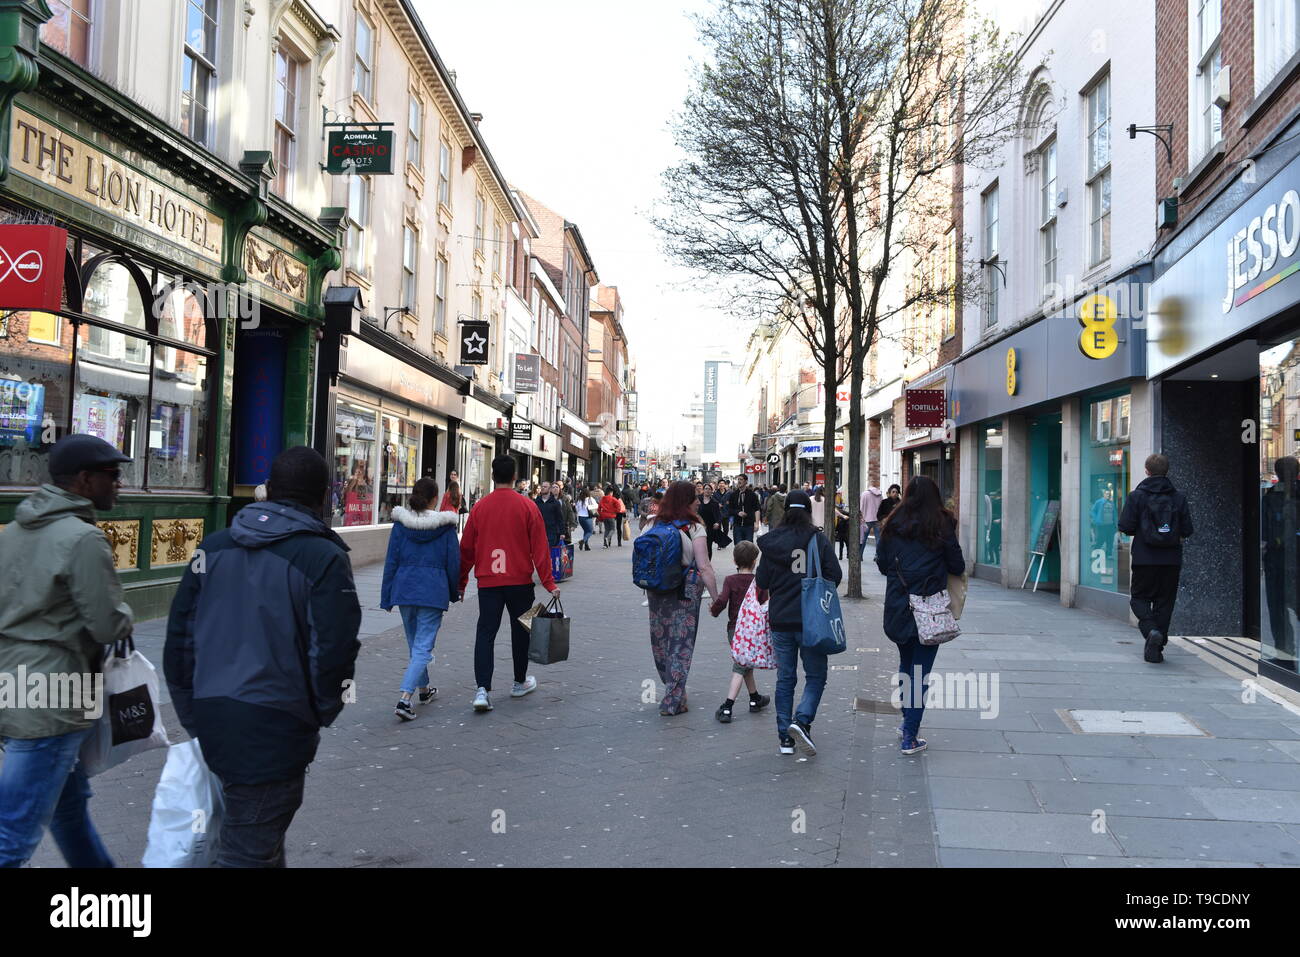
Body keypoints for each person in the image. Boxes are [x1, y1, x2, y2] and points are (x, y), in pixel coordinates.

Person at [165, 446, 362, 867]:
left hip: (216, 718)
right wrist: (321, 712)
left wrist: (194, 713)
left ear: (268, 490)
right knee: (247, 851)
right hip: (274, 727)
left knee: (257, 841)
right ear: (324, 496)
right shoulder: (323, 557)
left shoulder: (213, 548)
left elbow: (179, 639)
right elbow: (334, 650)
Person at [0, 435, 134, 868]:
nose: (119, 484)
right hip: (55, 700)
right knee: (13, 836)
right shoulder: (83, 539)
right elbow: (106, 623)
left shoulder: (15, 530)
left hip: (14, 687)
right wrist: (125, 613)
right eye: (112, 476)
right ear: (83, 480)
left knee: (68, 811)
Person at [458, 456, 559, 712]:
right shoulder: (527, 506)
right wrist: (548, 582)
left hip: (488, 582)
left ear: (492, 476)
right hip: (519, 580)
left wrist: (460, 582)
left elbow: (466, 549)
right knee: (521, 630)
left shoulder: (480, 507)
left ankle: (482, 690)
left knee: (486, 632)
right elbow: (540, 549)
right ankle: (519, 681)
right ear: (515, 477)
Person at [874, 475, 964, 756]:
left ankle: (907, 723)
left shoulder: (892, 524)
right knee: (920, 672)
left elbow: (883, 564)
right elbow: (957, 564)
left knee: (907, 665)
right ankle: (910, 735)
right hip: (930, 608)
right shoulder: (943, 524)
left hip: (899, 605)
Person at [756, 489, 840, 756]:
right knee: (816, 676)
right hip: (812, 620)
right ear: (806, 511)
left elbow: (762, 582)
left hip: (780, 618)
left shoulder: (770, 543)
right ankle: (802, 720)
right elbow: (835, 575)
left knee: (786, 678)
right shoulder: (818, 540)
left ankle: (785, 739)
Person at [381, 478, 460, 720]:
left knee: (415, 644)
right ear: (435, 498)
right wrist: (453, 591)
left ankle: (424, 690)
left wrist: (387, 596)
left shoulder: (400, 525)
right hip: (432, 591)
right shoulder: (445, 528)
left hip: (405, 589)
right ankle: (405, 699)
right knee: (423, 646)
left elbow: (391, 561)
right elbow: (453, 563)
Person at [645, 481, 719, 716]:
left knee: (661, 644)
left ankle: (676, 692)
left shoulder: (652, 523)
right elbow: (705, 567)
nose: (698, 501)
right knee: (681, 645)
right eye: (694, 497)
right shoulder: (694, 527)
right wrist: (716, 598)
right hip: (685, 590)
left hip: (657, 590)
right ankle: (672, 700)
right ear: (685, 501)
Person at [1118, 453, 1194, 664]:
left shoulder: (1136, 496)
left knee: (1139, 599)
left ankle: (1151, 631)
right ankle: (1156, 649)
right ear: (1167, 471)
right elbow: (1187, 530)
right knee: (1165, 603)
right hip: (1171, 560)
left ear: (1146, 471)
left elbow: (1125, 526)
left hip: (1144, 558)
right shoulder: (1179, 497)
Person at [708, 540, 771, 723]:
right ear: (755, 562)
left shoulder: (730, 580)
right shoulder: (759, 582)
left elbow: (722, 601)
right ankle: (745, 701)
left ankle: (736, 704)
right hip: (753, 630)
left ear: (735, 561)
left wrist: (713, 610)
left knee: (741, 664)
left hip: (735, 629)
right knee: (743, 665)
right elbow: (764, 604)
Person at [534, 481, 567, 549]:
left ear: (549, 489)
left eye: (545, 487)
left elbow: (560, 518)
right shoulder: (536, 501)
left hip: (551, 532)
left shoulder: (555, 503)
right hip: (538, 532)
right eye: (542, 486)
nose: (543, 488)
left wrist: (562, 532)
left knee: (550, 553)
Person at [698, 483, 725, 559]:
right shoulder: (698, 500)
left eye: (709, 489)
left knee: (708, 546)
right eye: (706, 488)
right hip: (699, 527)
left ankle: (707, 563)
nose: (707, 490)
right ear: (703, 490)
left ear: (712, 491)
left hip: (710, 528)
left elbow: (719, 515)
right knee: (699, 546)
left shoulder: (714, 503)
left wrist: (717, 523)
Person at [732, 474, 761, 543]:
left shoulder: (752, 495)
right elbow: (730, 509)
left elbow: (757, 509)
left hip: (749, 525)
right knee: (738, 547)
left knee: (748, 547)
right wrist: (738, 512)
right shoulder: (734, 495)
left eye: (741, 479)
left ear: (746, 482)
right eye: (738, 479)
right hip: (737, 525)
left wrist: (756, 523)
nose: (739, 481)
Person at [860, 484, 883, 558]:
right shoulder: (880, 495)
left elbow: (861, 507)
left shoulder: (864, 494)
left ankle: (860, 555)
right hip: (877, 519)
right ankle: (878, 555)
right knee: (878, 538)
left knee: (863, 538)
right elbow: (881, 507)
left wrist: (861, 517)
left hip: (866, 519)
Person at [575, 485, 599, 550]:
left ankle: (586, 546)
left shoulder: (579, 500)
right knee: (590, 531)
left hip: (580, 517)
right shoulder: (590, 499)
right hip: (587, 517)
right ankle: (583, 541)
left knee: (586, 531)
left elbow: (576, 509)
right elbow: (596, 506)